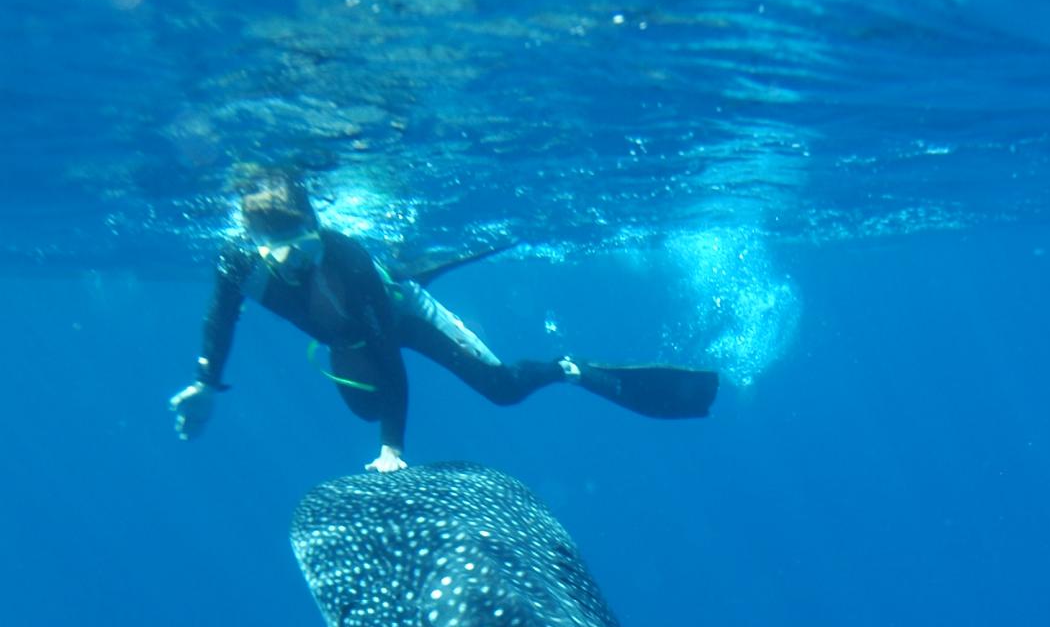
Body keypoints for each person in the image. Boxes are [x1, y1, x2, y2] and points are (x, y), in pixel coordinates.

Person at [170, 172, 718, 472]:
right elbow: (221, 320)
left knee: (501, 390)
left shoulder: (350, 262)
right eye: (278, 251)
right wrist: (205, 382)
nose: (296, 261)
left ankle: (570, 367)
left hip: (398, 314)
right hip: (345, 337)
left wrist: (394, 450)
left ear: (317, 224)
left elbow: (389, 361)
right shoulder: (237, 264)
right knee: (363, 408)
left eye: (303, 243)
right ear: (255, 245)